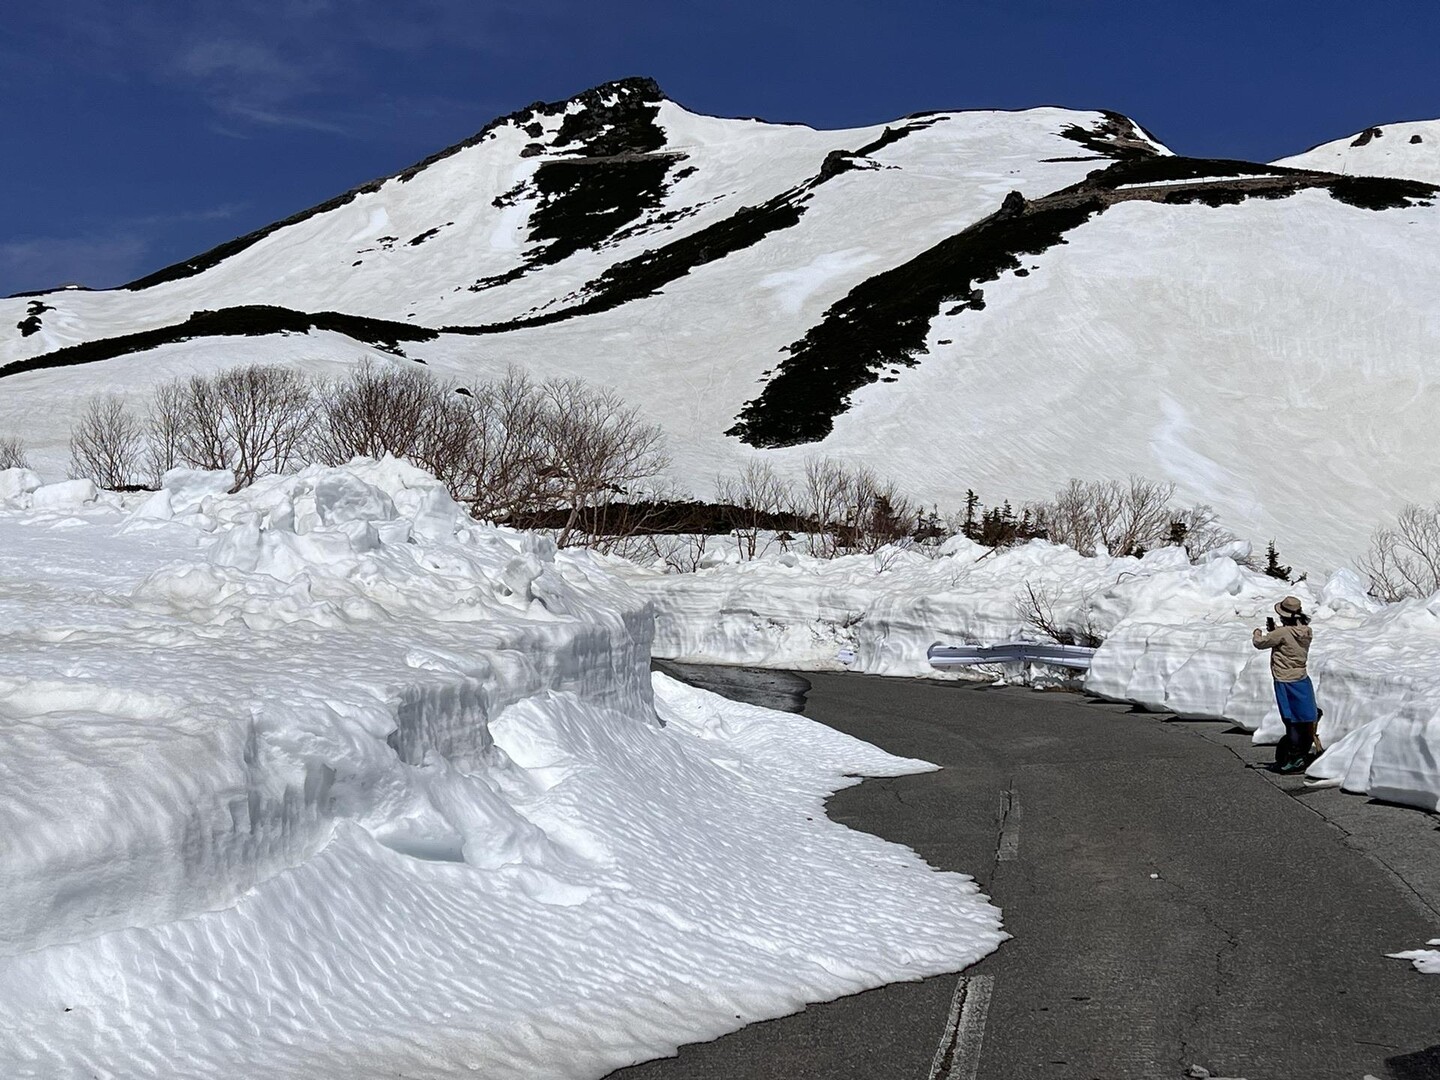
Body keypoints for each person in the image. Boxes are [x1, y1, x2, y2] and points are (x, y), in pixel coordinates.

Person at [1252, 595, 1317, 773]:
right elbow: (1289, 635)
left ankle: (1294, 757)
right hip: (1301, 678)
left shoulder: (1281, 633)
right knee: (1302, 716)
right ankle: (1300, 753)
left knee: (1290, 718)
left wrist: (1258, 633)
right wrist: (1277, 631)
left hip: (1284, 680)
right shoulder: (1306, 631)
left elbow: (1261, 643)